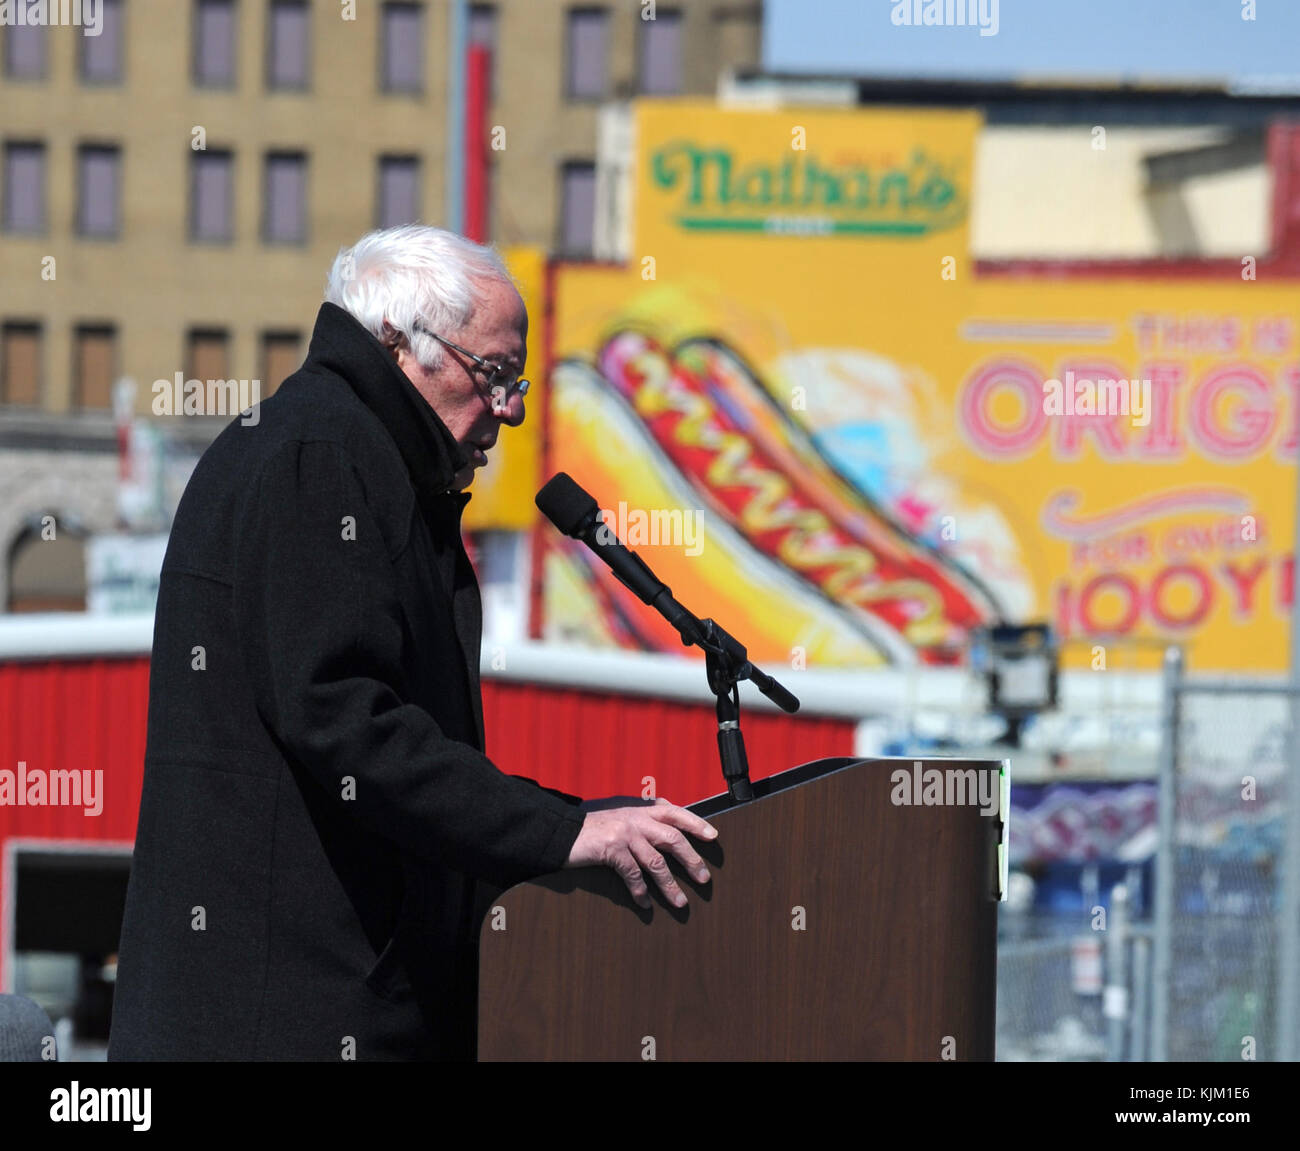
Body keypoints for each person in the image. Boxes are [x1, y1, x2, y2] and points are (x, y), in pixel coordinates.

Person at [108, 225, 717, 1062]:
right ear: (400, 346)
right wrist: (561, 832)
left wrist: (563, 822)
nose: (513, 408)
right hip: (292, 1023)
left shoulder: (337, 448)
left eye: (520, 379)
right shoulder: (321, 455)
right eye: (496, 375)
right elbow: (348, 722)